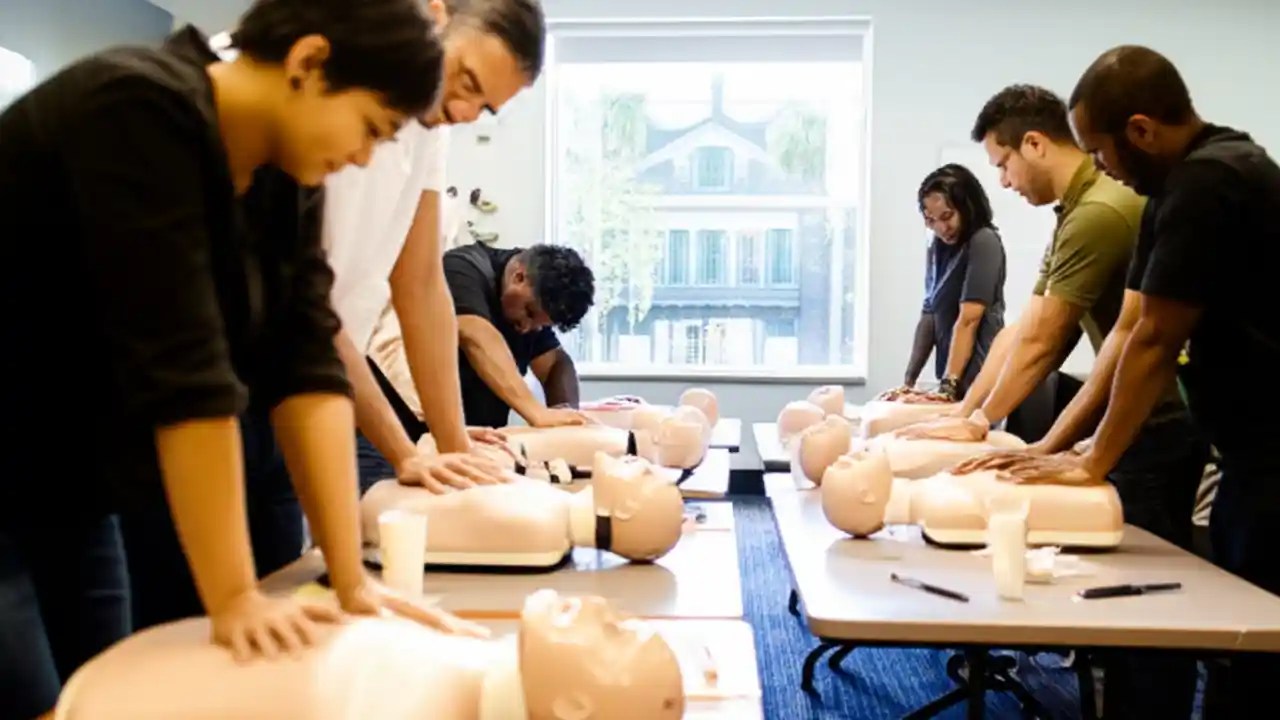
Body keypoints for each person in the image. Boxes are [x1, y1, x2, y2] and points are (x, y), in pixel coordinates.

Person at [0, 1, 480, 717]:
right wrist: (233, 598)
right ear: (308, 62)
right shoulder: (137, 107)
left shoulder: (282, 176)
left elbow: (306, 359)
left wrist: (351, 582)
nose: (362, 158)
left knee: (106, 695)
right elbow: (188, 375)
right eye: (370, 128)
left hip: (70, 481)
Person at [1005, 45, 1279, 719]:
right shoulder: (1180, 183)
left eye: (1101, 150)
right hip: (1249, 450)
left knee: (1254, 639)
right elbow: (1130, 328)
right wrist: (1059, 448)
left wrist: (1094, 460)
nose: (1100, 166)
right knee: (1238, 633)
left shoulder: (1209, 183)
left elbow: (1157, 340)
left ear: (1141, 131)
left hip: (1272, 456)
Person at [921, 83, 1204, 719]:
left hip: (1158, 426)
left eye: (1003, 164)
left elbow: (1052, 343)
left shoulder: (1101, 212)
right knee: (1123, 608)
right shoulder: (1074, 211)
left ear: (1034, 143)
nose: (1003, 180)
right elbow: (1027, 327)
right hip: (1133, 420)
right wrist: (965, 415)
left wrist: (1010, 432)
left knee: (1147, 610)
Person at [322, 0, 546, 494]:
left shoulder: (431, 130)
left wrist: (454, 447)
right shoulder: (329, 104)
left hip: (318, 379)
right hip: (250, 378)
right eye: (466, 81)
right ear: (434, 13)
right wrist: (405, 452)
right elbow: (312, 309)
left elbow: (420, 283)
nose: (464, 112)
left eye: (484, 108)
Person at [443, 241, 594, 430]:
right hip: (423, 430)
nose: (527, 328)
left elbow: (554, 364)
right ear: (519, 277)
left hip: (483, 434)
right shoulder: (462, 269)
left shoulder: (532, 310)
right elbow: (475, 336)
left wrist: (565, 415)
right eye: (529, 313)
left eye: (541, 325)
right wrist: (536, 412)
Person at [900, 163, 1007, 400]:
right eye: (931, 220)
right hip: (952, 381)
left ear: (967, 207)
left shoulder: (984, 241)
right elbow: (929, 315)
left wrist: (948, 387)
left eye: (947, 216)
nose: (941, 228)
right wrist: (908, 381)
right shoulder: (937, 248)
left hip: (980, 382)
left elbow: (969, 320)